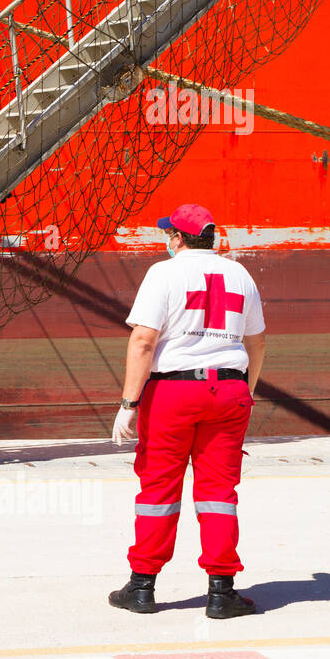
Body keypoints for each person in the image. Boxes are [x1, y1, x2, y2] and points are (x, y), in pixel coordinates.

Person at [109, 204, 266, 619]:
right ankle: (222, 592)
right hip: (230, 389)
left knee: (159, 488)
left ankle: (142, 587)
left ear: (177, 238)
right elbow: (258, 342)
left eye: (168, 234)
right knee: (219, 492)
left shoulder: (164, 273)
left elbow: (144, 340)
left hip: (173, 394)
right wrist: (243, 391)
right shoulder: (240, 274)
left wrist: (128, 403)